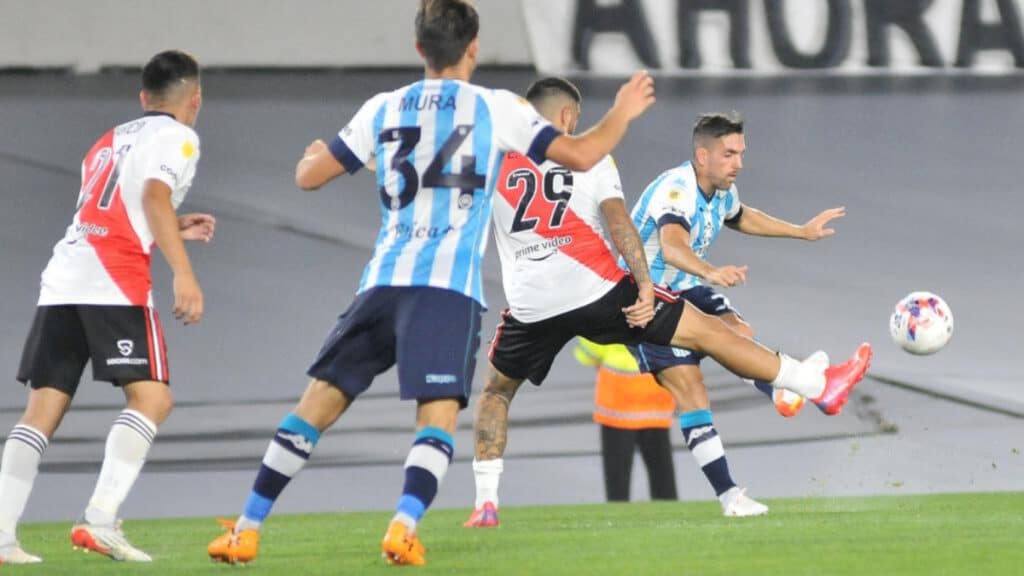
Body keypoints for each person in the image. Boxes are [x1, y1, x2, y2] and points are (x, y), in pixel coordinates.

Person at [206, 0, 657, 567]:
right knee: (437, 413)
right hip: (447, 291)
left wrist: (313, 155)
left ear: (419, 48)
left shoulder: (382, 108)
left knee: (316, 405)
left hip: (382, 284)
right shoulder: (498, 109)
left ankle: (246, 527)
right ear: (474, 48)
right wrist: (621, 111)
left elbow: (308, 177)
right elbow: (584, 153)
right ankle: (403, 526)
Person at [464, 77, 871, 527]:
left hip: (530, 305)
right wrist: (642, 284)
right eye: (575, 120)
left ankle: (486, 502)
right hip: (597, 289)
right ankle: (812, 386)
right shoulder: (593, 156)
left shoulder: (491, 162)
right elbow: (621, 226)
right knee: (708, 339)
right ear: (565, 118)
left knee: (497, 392)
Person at [0, 50, 212, 564]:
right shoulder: (181, 136)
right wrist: (183, 270)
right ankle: (99, 520)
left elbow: (113, 207)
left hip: (64, 278)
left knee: (41, 410)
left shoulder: (108, 139)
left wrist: (169, 232)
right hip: (113, 283)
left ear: (143, 99)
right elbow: (156, 195)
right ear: (195, 100)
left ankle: (2, 535)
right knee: (152, 399)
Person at [624, 111, 849, 515]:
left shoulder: (722, 189)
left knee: (737, 331)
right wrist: (711, 270)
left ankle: (778, 389)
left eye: (741, 153)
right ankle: (731, 497)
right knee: (692, 392)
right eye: (729, 154)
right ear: (702, 155)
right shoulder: (676, 189)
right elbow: (673, 246)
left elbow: (740, 216)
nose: (739, 164)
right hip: (645, 302)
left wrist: (801, 231)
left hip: (683, 286)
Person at [575, 338, 677, 503]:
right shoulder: (660, 312)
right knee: (663, 479)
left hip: (618, 403)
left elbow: (589, 346)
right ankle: (673, 522)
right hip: (655, 398)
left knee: (617, 483)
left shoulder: (604, 313)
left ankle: (617, 520)